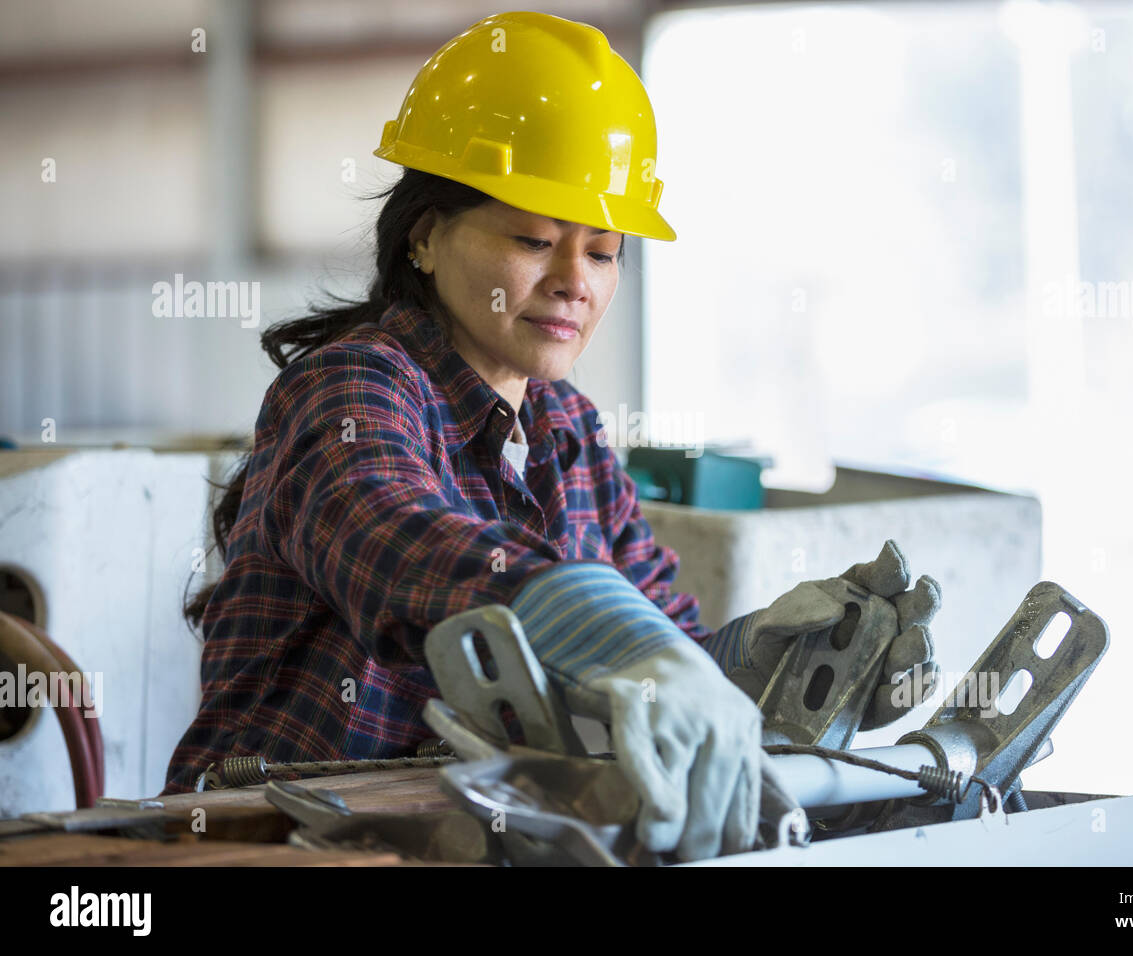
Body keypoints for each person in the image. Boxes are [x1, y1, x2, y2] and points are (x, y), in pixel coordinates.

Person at [163, 10, 940, 861]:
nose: (574, 283)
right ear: (424, 235)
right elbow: (391, 540)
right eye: (535, 239)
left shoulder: (567, 430)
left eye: (604, 252)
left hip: (469, 836)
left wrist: (764, 662)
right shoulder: (352, 386)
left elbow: (657, 644)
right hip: (267, 836)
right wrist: (597, 626)